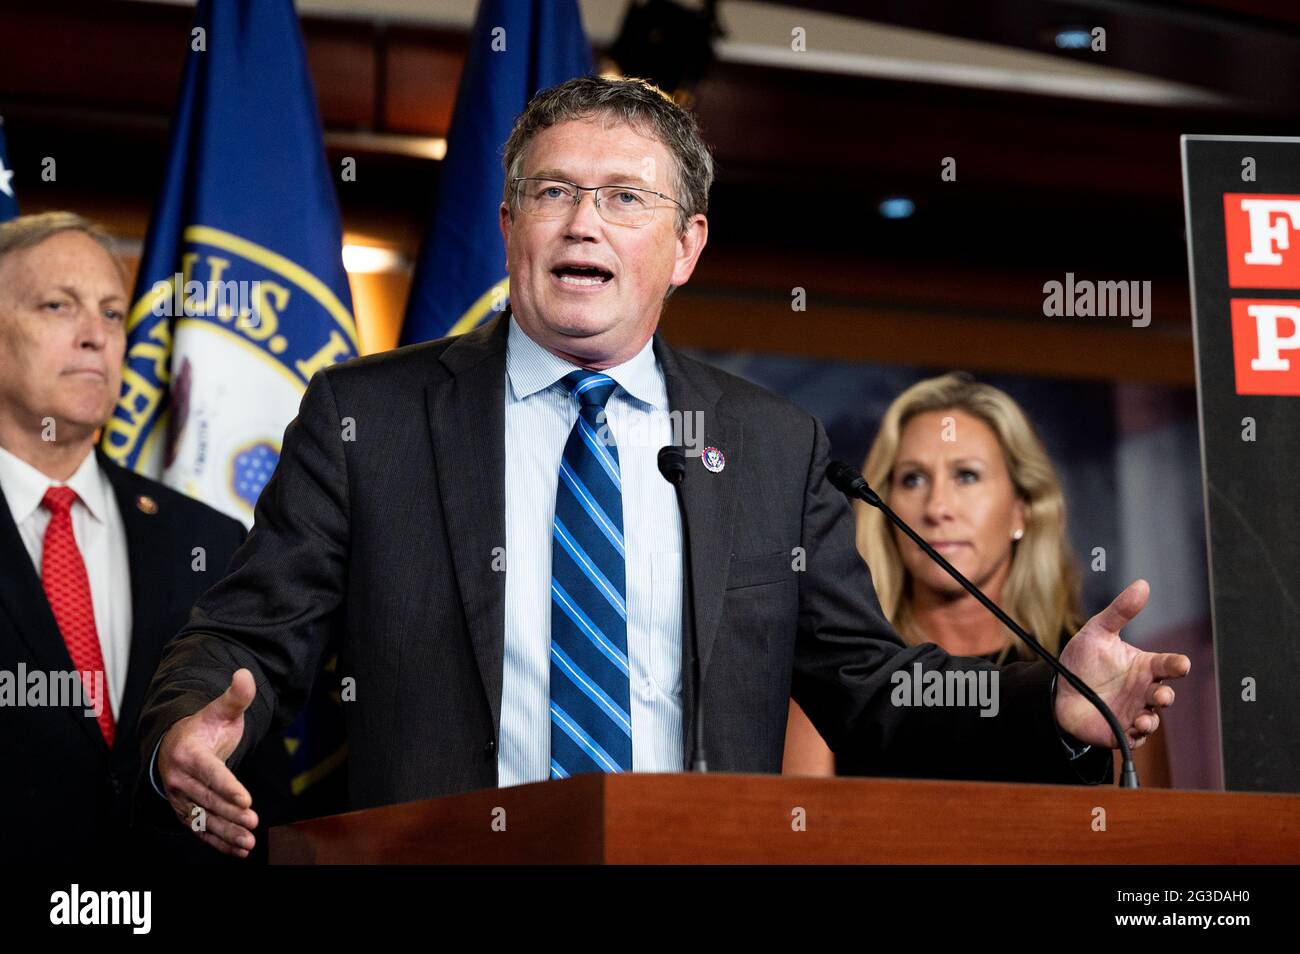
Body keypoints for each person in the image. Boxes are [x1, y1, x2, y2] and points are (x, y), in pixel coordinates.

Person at [137, 77, 1189, 859]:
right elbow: (244, 630)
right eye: (553, 191)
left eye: (624, 198)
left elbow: (871, 688)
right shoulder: (370, 415)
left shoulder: (772, 445)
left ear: (685, 247)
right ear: (508, 227)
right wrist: (186, 724)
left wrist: (1046, 700)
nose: (584, 220)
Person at [0, 212, 289, 862]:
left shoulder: (208, 540)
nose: (95, 337)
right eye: (57, 306)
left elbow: (258, 795)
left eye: (111, 314)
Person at [784, 373, 1169, 782]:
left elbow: (1147, 836)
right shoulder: (846, 677)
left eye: (966, 475)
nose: (937, 507)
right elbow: (805, 835)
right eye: (913, 479)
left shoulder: (1102, 674)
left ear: (1022, 509)